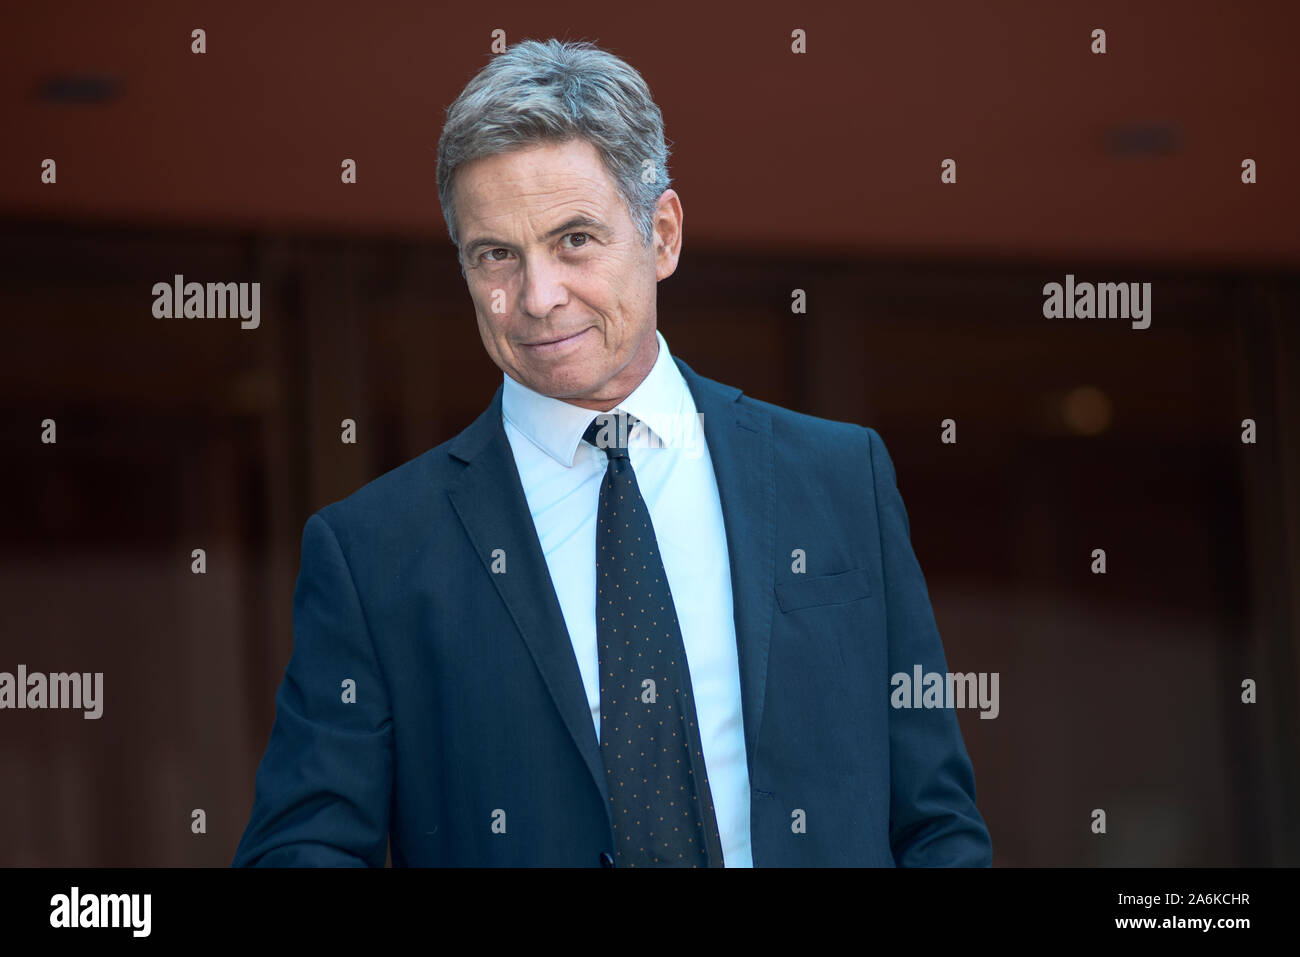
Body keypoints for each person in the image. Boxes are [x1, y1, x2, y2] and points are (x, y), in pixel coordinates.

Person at [232, 37, 992, 868]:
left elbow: (935, 824)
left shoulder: (839, 480)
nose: (538, 297)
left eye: (575, 240)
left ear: (661, 234)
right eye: (497, 255)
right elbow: (300, 850)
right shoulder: (373, 552)